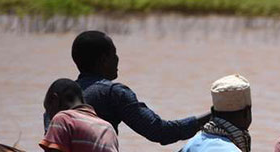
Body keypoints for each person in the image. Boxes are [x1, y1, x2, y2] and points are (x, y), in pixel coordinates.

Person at [69, 30, 211, 145]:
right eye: (114, 53)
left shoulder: (62, 94)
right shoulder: (113, 93)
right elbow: (160, 132)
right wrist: (214, 116)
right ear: (103, 60)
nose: (117, 58)